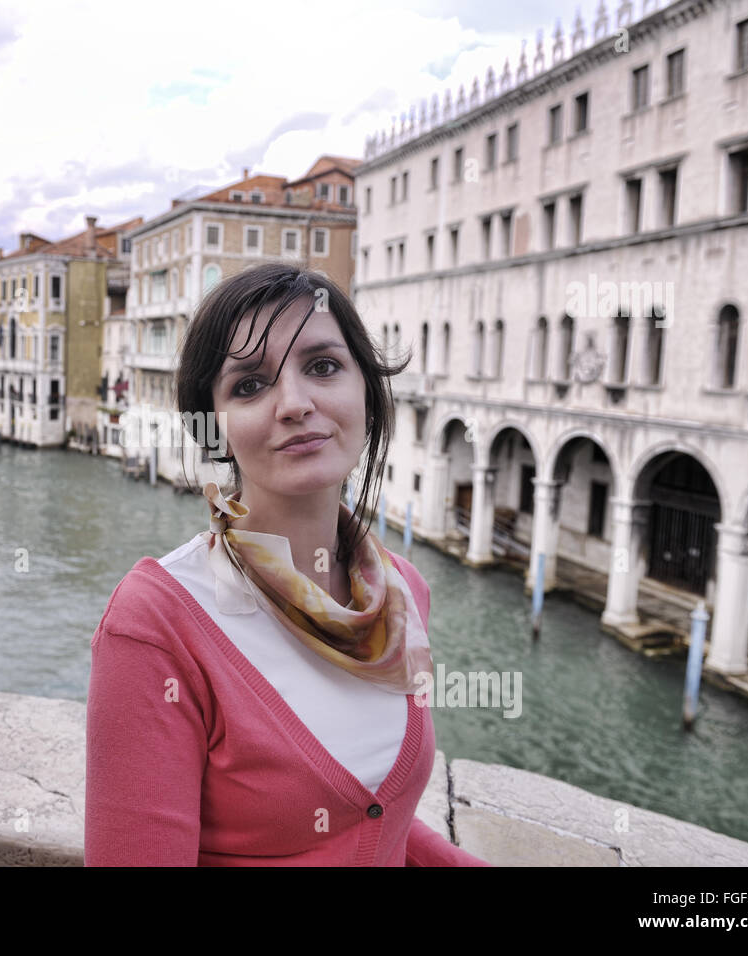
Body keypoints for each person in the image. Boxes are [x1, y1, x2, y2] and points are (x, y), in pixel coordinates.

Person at [85, 264, 491, 867]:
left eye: (323, 367)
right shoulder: (155, 627)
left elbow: (385, 814)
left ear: (367, 391)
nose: (296, 404)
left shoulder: (405, 593)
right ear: (214, 428)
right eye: (249, 386)